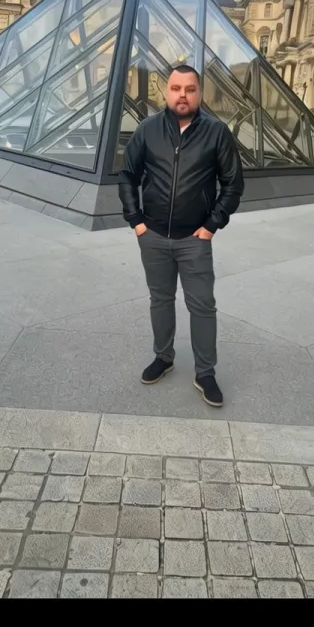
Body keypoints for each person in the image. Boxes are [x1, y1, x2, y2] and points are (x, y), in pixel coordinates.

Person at [119, 64, 244, 408]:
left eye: (190, 89)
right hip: (153, 235)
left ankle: (205, 373)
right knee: (160, 300)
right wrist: (136, 221)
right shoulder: (148, 130)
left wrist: (211, 225)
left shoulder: (217, 133)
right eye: (176, 89)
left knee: (202, 306)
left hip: (195, 238)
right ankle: (164, 357)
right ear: (166, 91)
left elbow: (233, 184)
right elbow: (127, 175)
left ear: (199, 93)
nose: (182, 96)